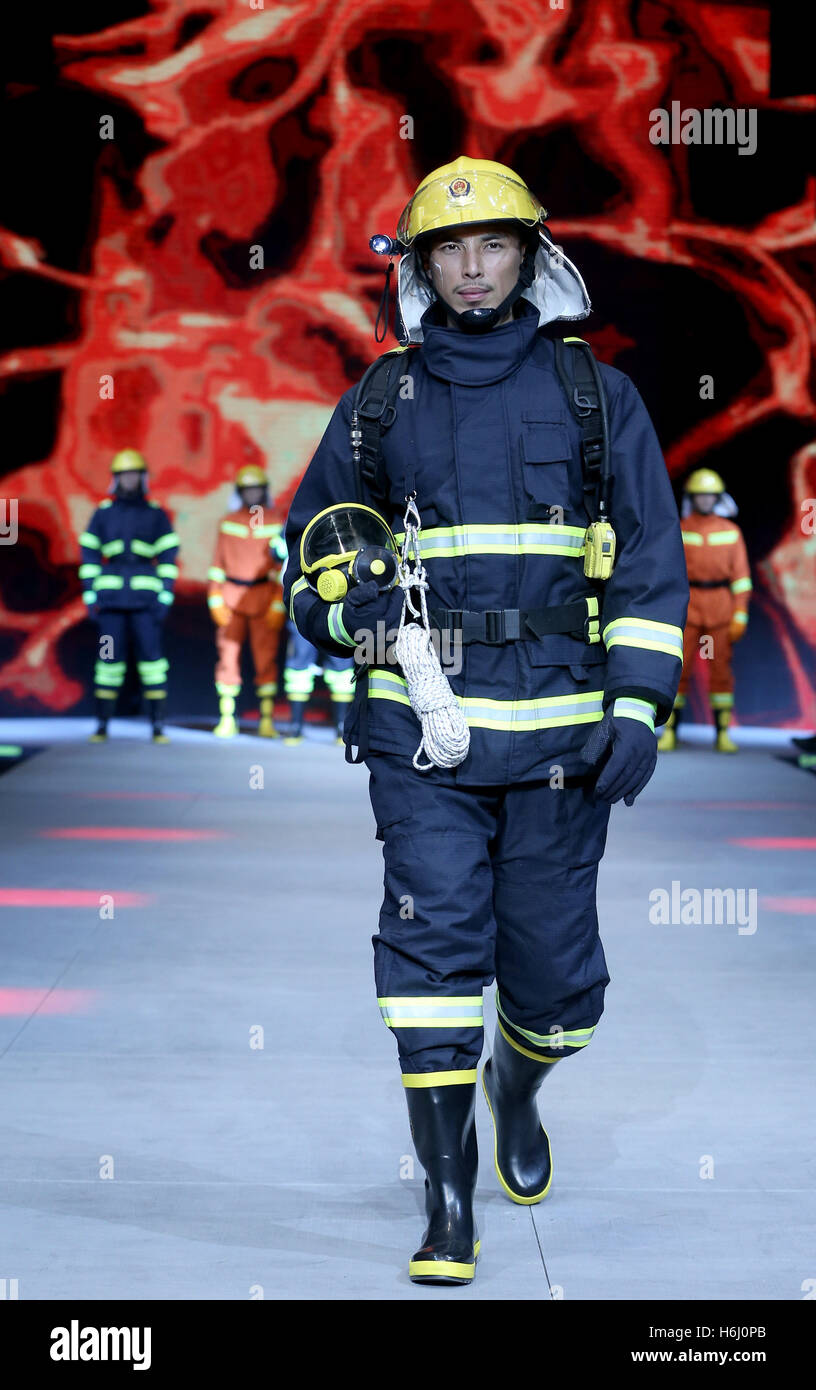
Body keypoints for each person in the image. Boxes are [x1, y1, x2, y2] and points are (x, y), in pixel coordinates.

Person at [282, 157, 689, 1285]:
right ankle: (447, 1201)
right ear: (418, 269)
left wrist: (642, 707)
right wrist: (357, 618)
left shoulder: (594, 396)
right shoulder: (376, 405)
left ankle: (519, 1082)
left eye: (493, 246)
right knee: (429, 954)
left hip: (564, 743)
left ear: (531, 258)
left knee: (558, 995)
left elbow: (654, 558)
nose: (471, 267)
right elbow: (311, 576)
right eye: (449, 250)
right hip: (423, 742)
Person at [78, 448, 178, 743]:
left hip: (146, 606)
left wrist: (165, 598)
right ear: (116, 479)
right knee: (107, 664)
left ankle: (158, 726)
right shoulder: (103, 514)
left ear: (142, 477)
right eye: (124, 474)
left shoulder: (156, 514)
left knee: (152, 663)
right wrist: (90, 596)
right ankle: (102, 725)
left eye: (134, 474)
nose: (129, 479)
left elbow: (169, 557)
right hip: (110, 605)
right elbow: (89, 555)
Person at [657, 468, 751, 753]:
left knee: (720, 672)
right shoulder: (681, 529)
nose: (705, 501)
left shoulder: (731, 532)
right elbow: (669, 574)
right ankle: (670, 731)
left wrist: (740, 614)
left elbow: (742, 579)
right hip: (689, 608)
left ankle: (722, 733)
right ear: (692, 498)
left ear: (718, 498)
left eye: (710, 496)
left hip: (720, 609)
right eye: (700, 496)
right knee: (679, 670)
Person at [208, 465, 287, 738]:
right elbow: (218, 565)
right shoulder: (228, 521)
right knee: (227, 658)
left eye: (257, 488)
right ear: (240, 492)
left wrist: (279, 602)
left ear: (264, 491)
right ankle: (227, 718)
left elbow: (281, 569)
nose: (253, 493)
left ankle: (266, 720)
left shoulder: (277, 522)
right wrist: (214, 597)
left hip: (264, 598)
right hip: (231, 600)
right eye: (248, 489)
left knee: (266, 659)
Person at [281, 619, 356, 745]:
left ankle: (341, 728)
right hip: (311, 614)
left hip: (331, 613)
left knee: (341, 671)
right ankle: (296, 726)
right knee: (298, 670)